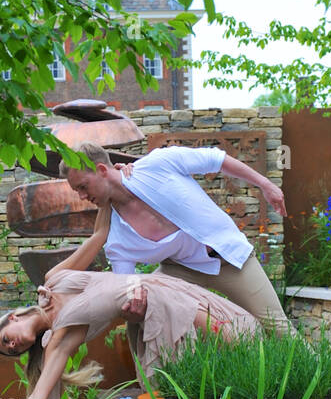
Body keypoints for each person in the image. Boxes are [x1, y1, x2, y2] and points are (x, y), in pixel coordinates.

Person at [0, 232, 259, 399]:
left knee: (235, 338)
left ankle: (270, 388)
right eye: (13, 351)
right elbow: (37, 397)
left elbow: (99, 235)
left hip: (154, 289)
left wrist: (106, 180)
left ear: (12, 317)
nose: (13, 347)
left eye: (6, 340)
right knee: (168, 372)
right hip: (148, 309)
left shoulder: (53, 281)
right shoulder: (60, 338)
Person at [58, 140, 290, 331]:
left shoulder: (158, 164)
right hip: (180, 272)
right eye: (77, 190)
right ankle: (156, 384)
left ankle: (323, 383)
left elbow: (216, 159)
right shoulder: (117, 238)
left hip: (227, 257)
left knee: (279, 329)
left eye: (83, 186)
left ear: (101, 170)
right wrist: (133, 303)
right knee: (141, 321)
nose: (81, 196)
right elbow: (125, 285)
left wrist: (265, 184)